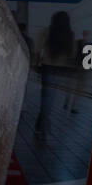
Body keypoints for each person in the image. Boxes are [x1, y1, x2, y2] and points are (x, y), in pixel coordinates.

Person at [33, 11, 78, 139]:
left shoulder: (47, 31)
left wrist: (36, 63)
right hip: (63, 71)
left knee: (46, 100)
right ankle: (41, 126)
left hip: (48, 68)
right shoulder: (70, 34)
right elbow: (72, 54)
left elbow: (37, 49)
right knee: (50, 101)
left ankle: (42, 127)